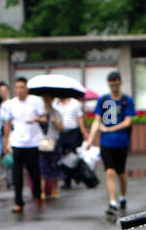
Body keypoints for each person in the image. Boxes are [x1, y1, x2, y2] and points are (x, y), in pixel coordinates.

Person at [89, 70, 135, 220]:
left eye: (116, 85)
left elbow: (128, 121)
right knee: (109, 172)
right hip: (106, 143)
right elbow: (96, 120)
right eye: (111, 85)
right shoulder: (102, 100)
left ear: (120, 83)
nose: (114, 88)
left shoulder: (126, 100)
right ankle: (112, 202)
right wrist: (90, 139)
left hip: (121, 142)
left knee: (121, 173)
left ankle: (122, 196)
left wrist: (110, 128)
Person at [1, 76, 46, 214]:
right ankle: (18, 202)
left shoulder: (36, 101)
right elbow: (7, 124)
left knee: (34, 173)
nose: (19, 90)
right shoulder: (10, 104)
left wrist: (37, 119)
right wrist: (6, 141)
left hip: (32, 143)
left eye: (22, 87)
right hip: (17, 143)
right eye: (17, 88)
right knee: (17, 175)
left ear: (27, 89)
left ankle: (37, 195)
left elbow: (44, 119)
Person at [51, 93, 87, 189]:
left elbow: (80, 118)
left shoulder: (75, 103)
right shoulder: (55, 103)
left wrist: (84, 131)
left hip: (73, 132)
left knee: (73, 156)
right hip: (60, 133)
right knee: (62, 157)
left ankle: (75, 175)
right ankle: (66, 180)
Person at [38, 95, 64, 200]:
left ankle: (54, 190)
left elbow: (62, 128)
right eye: (45, 98)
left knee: (54, 167)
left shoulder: (56, 113)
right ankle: (42, 192)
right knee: (42, 168)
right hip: (41, 142)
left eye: (49, 98)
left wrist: (54, 122)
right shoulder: (39, 113)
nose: (47, 100)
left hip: (53, 142)